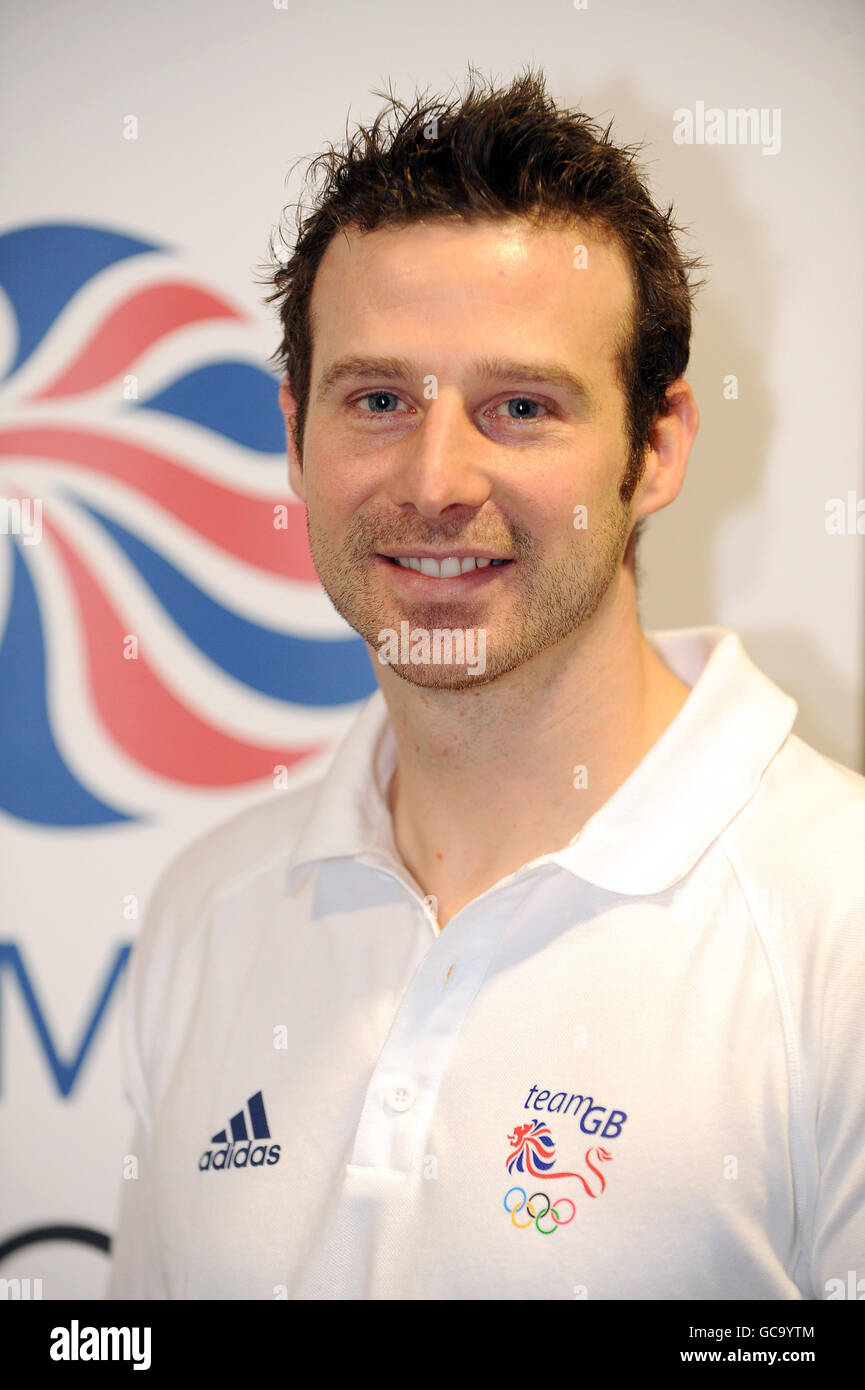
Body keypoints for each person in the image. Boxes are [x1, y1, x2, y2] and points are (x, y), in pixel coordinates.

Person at [107, 67, 865, 1301]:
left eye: (520, 405)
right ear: (295, 431)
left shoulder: (838, 921)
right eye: (378, 399)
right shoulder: (209, 910)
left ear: (657, 446)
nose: (436, 478)